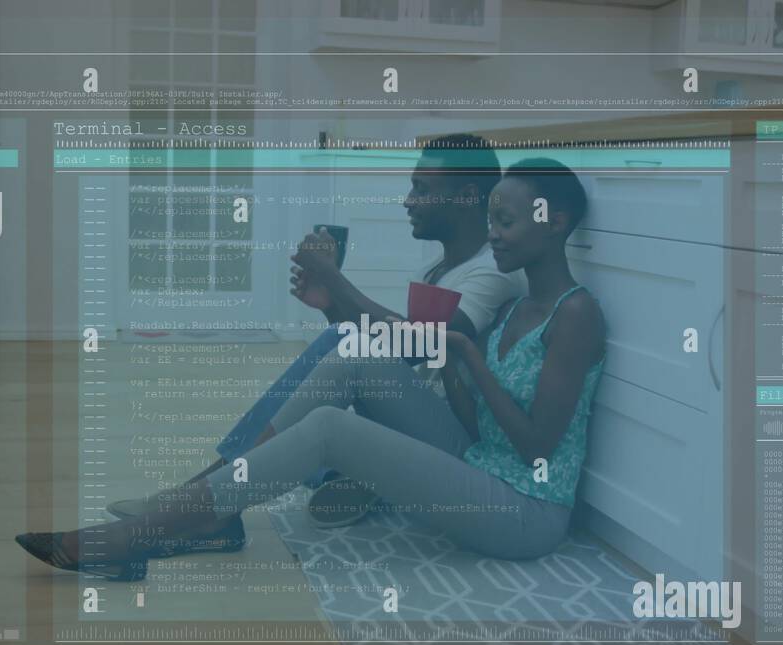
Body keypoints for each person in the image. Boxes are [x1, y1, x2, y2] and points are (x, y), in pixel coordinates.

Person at [15, 158, 605, 579]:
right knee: (353, 358)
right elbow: (476, 426)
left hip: (525, 512)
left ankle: (144, 534)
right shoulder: (514, 306)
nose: (495, 235)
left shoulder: (574, 315)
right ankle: (204, 508)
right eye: (494, 220)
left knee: (330, 429)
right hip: (480, 462)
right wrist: (452, 366)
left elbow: (534, 450)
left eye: (507, 222)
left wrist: (465, 355)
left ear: (554, 223)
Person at [101, 134, 525, 552]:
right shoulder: (439, 266)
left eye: (421, 189)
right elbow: (392, 349)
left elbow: (421, 347)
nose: (408, 201)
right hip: (421, 414)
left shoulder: (493, 272)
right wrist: (330, 304)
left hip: (457, 445)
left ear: (469, 196)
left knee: (337, 373)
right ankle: (228, 492)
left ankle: (211, 498)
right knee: (340, 337)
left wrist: (336, 279)